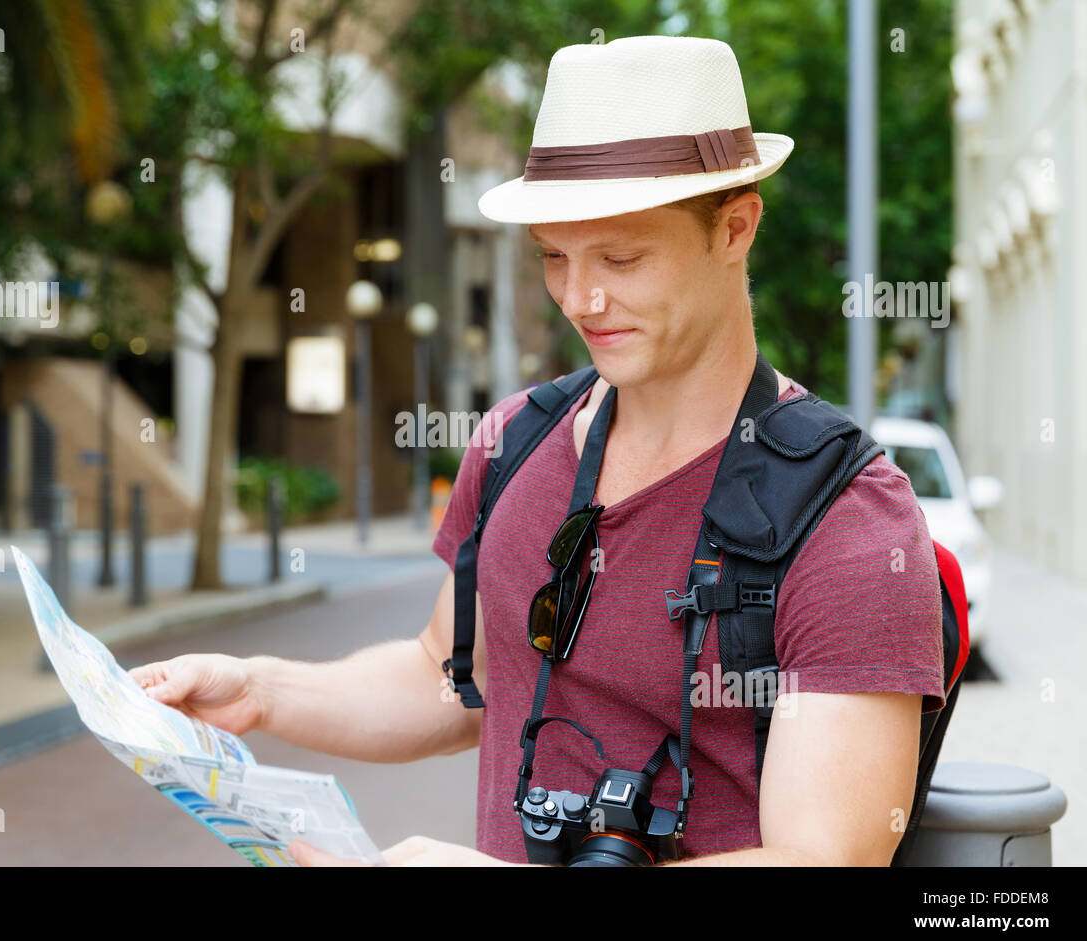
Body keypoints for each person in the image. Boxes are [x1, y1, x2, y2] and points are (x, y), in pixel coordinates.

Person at [129, 35, 945, 867]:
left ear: (735, 227)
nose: (581, 300)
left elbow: (829, 859)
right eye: (555, 257)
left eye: (621, 258)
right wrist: (260, 688)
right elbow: (448, 679)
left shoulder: (848, 517)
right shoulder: (514, 440)